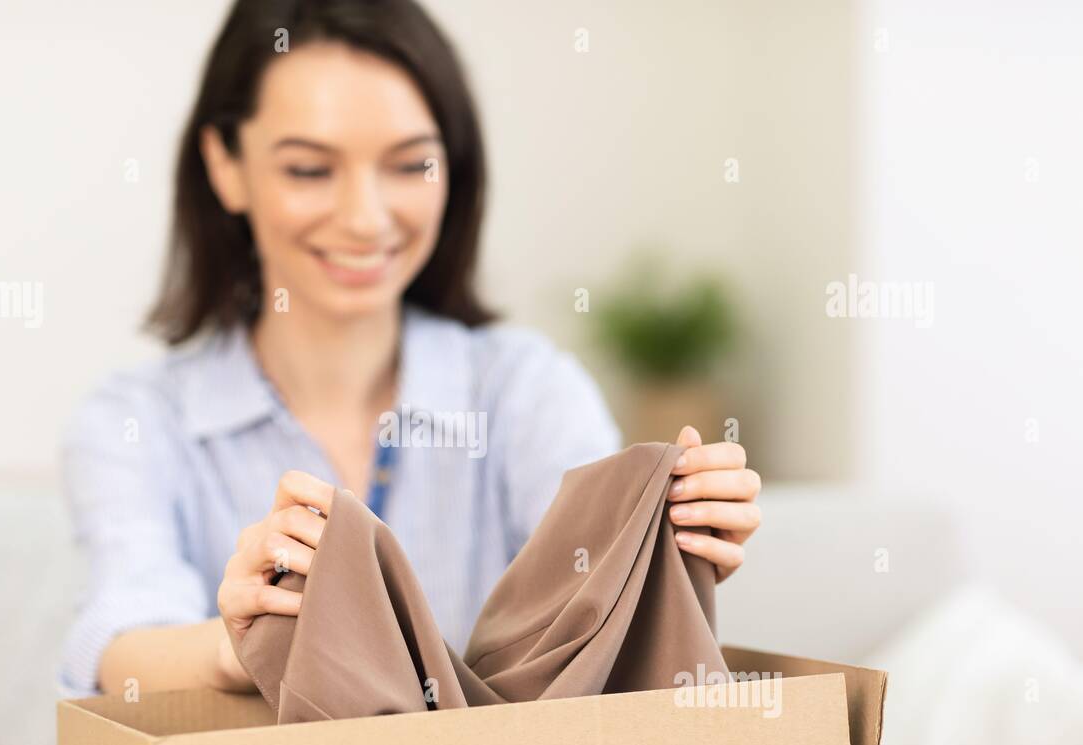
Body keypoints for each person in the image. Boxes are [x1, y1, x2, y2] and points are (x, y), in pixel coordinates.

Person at [57, 0, 761, 699]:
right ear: (226, 166)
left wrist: (660, 549)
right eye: (309, 169)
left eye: (408, 166)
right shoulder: (138, 420)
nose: (365, 218)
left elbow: (590, 589)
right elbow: (122, 640)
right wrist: (238, 643)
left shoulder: (524, 389)